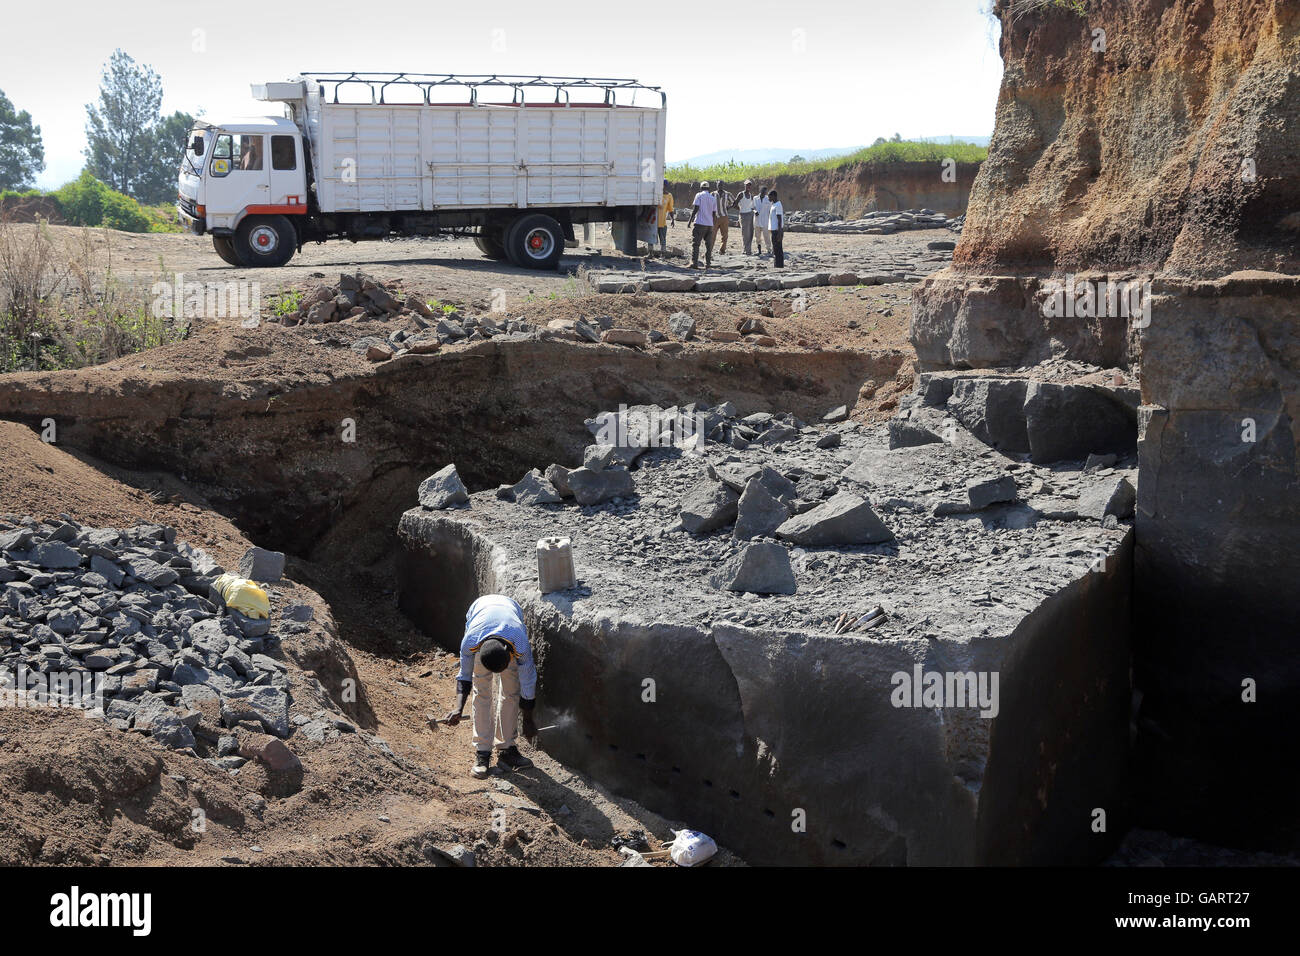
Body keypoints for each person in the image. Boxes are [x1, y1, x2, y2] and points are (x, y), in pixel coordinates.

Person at [442, 593, 539, 778]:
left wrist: (528, 719)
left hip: (508, 617)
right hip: (480, 617)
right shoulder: (470, 642)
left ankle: (507, 748)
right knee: (482, 693)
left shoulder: (519, 643)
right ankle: (482, 753)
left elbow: (528, 680)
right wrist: (458, 708)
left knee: (511, 692)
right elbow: (464, 676)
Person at [687, 179, 719, 269]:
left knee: (696, 244)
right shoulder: (713, 198)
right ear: (708, 188)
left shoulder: (699, 195)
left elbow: (696, 209)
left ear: (701, 188)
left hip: (700, 223)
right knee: (708, 246)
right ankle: (708, 263)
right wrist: (712, 224)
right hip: (709, 225)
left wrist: (690, 220)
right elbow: (714, 213)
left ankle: (694, 263)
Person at [735, 180, 757, 255]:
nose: (748, 186)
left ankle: (747, 249)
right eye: (747, 185)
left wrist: (754, 211)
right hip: (744, 215)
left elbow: (752, 206)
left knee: (751, 233)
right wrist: (741, 210)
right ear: (744, 185)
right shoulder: (741, 194)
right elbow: (735, 204)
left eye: (750, 185)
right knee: (745, 234)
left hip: (750, 215)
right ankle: (747, 251)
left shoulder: (751, 195)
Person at [712, 181, 731, 254]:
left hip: (724, 217)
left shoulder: (727, 194)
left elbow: (734, 202)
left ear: (723, 185)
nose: (720, 186)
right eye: (718, 184)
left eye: (721, 185)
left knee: (725, 235)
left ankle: (722, 250)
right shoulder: (712, 194)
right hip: (715, 217)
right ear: (716, 185)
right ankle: (709, 250)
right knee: (712, 235)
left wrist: (728, 208)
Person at [768, 189, 785, 268]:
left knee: (778, 249)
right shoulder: (773, 204)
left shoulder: (778, 205)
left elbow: (779, 219)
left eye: (770, 196)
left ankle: (779, 266)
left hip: (777, 231)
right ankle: (777, 265)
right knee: (775, 249)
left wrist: (779, 233)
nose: (768, 198)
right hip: (773, 230)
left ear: (774, 196)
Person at [658, 179, 675, 255]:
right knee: (651, 238)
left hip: (662, 222)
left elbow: (671, 209)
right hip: (653, 220)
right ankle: (650, 253)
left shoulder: (669, 196)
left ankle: (663, 253)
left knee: (663, 239)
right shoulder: (656, 194)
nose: (663, 187)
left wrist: (672, 219)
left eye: (664, 185)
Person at [754, 186, 772, 257]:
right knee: (757, 237)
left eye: (765, 191)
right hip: (757, 220)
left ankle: (769, 250)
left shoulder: (768, 199)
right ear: (760, 190)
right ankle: (759, 251)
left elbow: (771, 210)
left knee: (767, 236)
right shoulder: (755, 198)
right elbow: (752, 207)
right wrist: (755, 211)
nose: (764, 193)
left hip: (765, 221)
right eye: (763, 191)